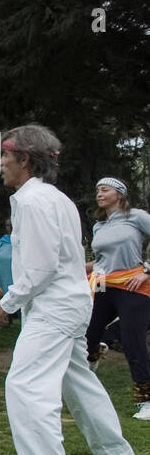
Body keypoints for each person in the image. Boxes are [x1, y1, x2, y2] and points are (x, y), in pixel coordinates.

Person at [0, 125, 137, 455]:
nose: (1, 163)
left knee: (27, 386)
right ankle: (116, 453)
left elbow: (40, 267)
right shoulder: (56, 198)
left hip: (53, 307)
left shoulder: (33, 202)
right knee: (79, 381)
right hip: (70, 304)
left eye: (6, 156)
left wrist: (6, 304)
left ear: (24, 159)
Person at [85, 177, 150, 419]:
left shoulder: (136, 216)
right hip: (103, 283)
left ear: (119, 194)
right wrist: (82, 268)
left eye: (105, 190)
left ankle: (147, 400)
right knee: (87, 333)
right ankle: (91, 362)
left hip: (133, 283)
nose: (99, 194)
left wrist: (146, 271)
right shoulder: (99, 226)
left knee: (133, 341)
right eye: (97, 190)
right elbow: (102, 260)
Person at [0, 220, 14, 295]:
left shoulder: (22, 240)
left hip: (14, 278)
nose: (10, 227)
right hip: (0, 279)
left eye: (12, 224)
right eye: (8, 225)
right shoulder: (2, 241)